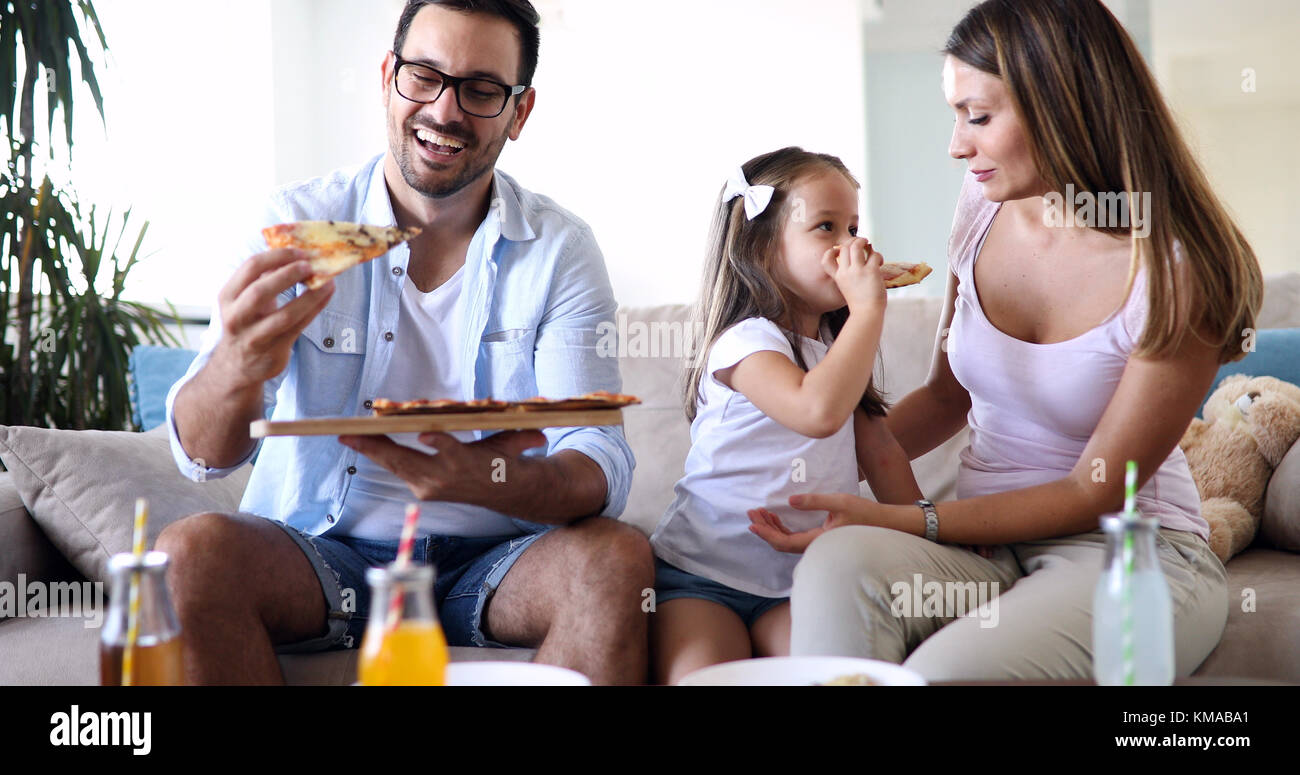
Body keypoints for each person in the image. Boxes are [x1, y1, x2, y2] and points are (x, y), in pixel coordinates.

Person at [753, 0, 1262, 681]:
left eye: (979, 116)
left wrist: (915, 518)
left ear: (1062, 101)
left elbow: (1094, 491)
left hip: (1129, 554)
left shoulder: (1177, 271)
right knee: (835, 563)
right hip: (985, 548)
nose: (957, 145)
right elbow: (944, 395)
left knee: (944, 675)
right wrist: (801, 472)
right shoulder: (980, 207)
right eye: (955, 114)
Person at [159, 0, 652, 685]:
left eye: (481, 90)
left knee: (617, 560)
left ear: (520, 111)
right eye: (424, 75)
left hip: (499, 560)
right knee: (188, 553)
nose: (445, 111)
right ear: (388, 76)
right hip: (321, 552)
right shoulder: (298, 224)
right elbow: (203, 457)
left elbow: (599, 457)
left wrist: (494, 479)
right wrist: (236, 368)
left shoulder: (560, 250)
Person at [648, 148, 923, 685]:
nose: (853, 246)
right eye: (826, 228)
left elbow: (883, 454)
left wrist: (933, 535)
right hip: (703, 575)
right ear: (762, 247)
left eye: (854, 227)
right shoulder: (745, 342)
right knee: (707, 677)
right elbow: (814, 411)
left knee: (828, 673)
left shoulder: (837, 350)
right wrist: (868, 311)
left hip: (800, 581)